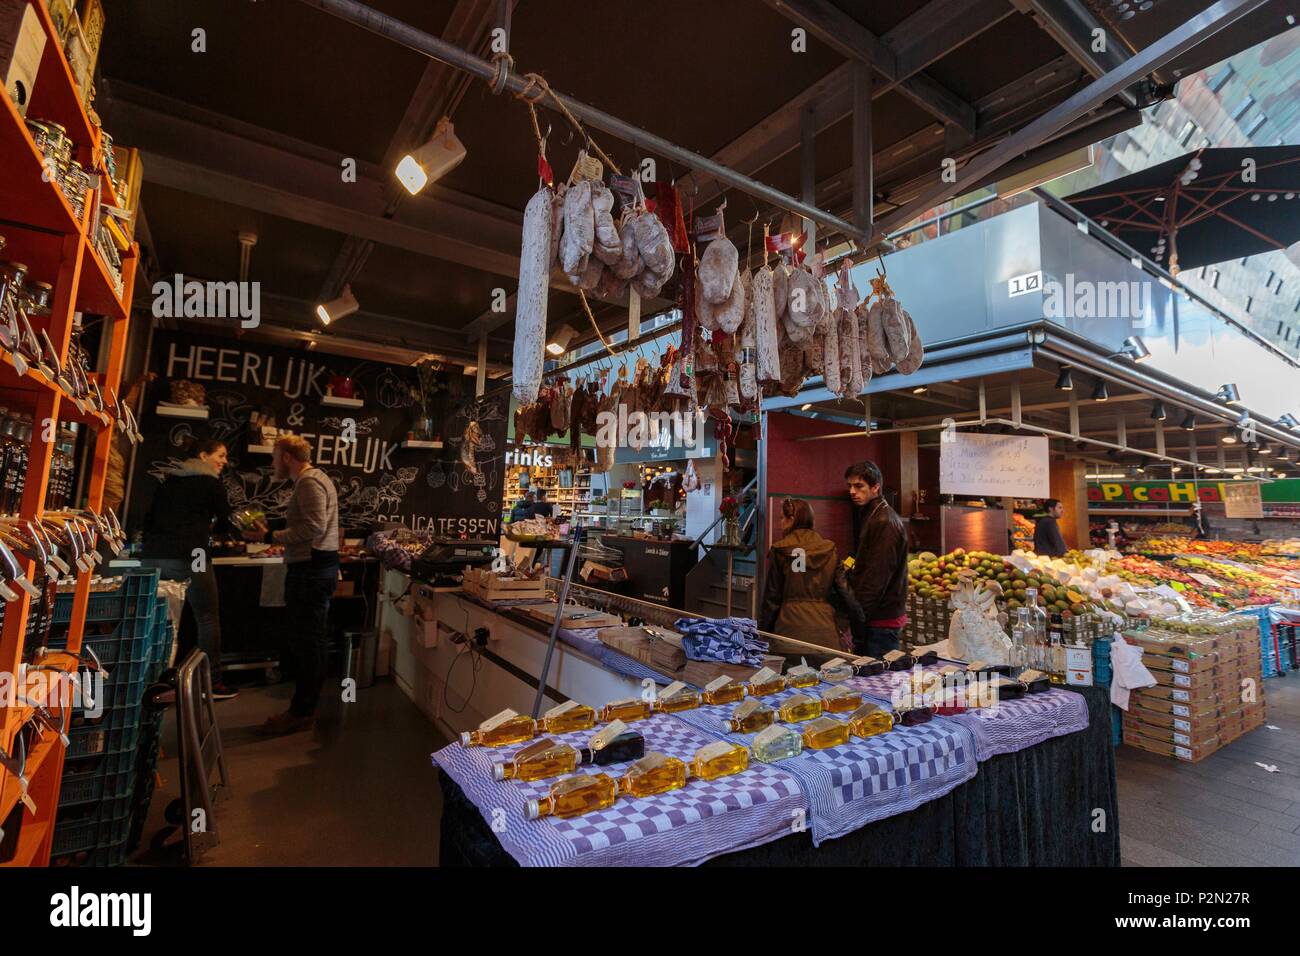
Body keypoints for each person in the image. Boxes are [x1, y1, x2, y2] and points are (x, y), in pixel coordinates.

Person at [242, 435, 339, 736]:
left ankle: (301, 713)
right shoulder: (317, 478)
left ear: (286, 457)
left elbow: (314, 527)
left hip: (310, 570)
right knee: (312, 641)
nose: (272, 463)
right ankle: (304, 709)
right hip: (317, 567)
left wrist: (269, 537)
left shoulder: (308, 482)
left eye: (274, 456)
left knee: (307, 643)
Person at [141, 437, 237, 700]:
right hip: (191, 555)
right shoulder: (210, 482)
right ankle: (210, 683)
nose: (224, 462)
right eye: (221, 455)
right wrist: (212, 531)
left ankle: (152, 680)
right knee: (207, 617)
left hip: (154, 555)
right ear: (203, 455)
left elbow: (149, 519)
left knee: (157, 619)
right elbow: (226, 520)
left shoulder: (169, 480)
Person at [758, 499, 858, 649]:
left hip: (788, 635)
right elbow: (845, 595)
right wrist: (849, 626)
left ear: (791, 520)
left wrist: (763, 634)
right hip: (826, 637)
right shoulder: (830, 550)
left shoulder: (780, 551)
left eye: (781, 518)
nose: (780, 523)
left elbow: (771, 600)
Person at [844, 461, 909, 657]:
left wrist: (858, 621)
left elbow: (876, 578)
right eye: (850, 486)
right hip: (877, 618)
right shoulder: (874, 514)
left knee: (878, 682)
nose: (852, 492)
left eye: (859, 486)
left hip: (880, 622)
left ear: (875, 487)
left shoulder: (884, 521)